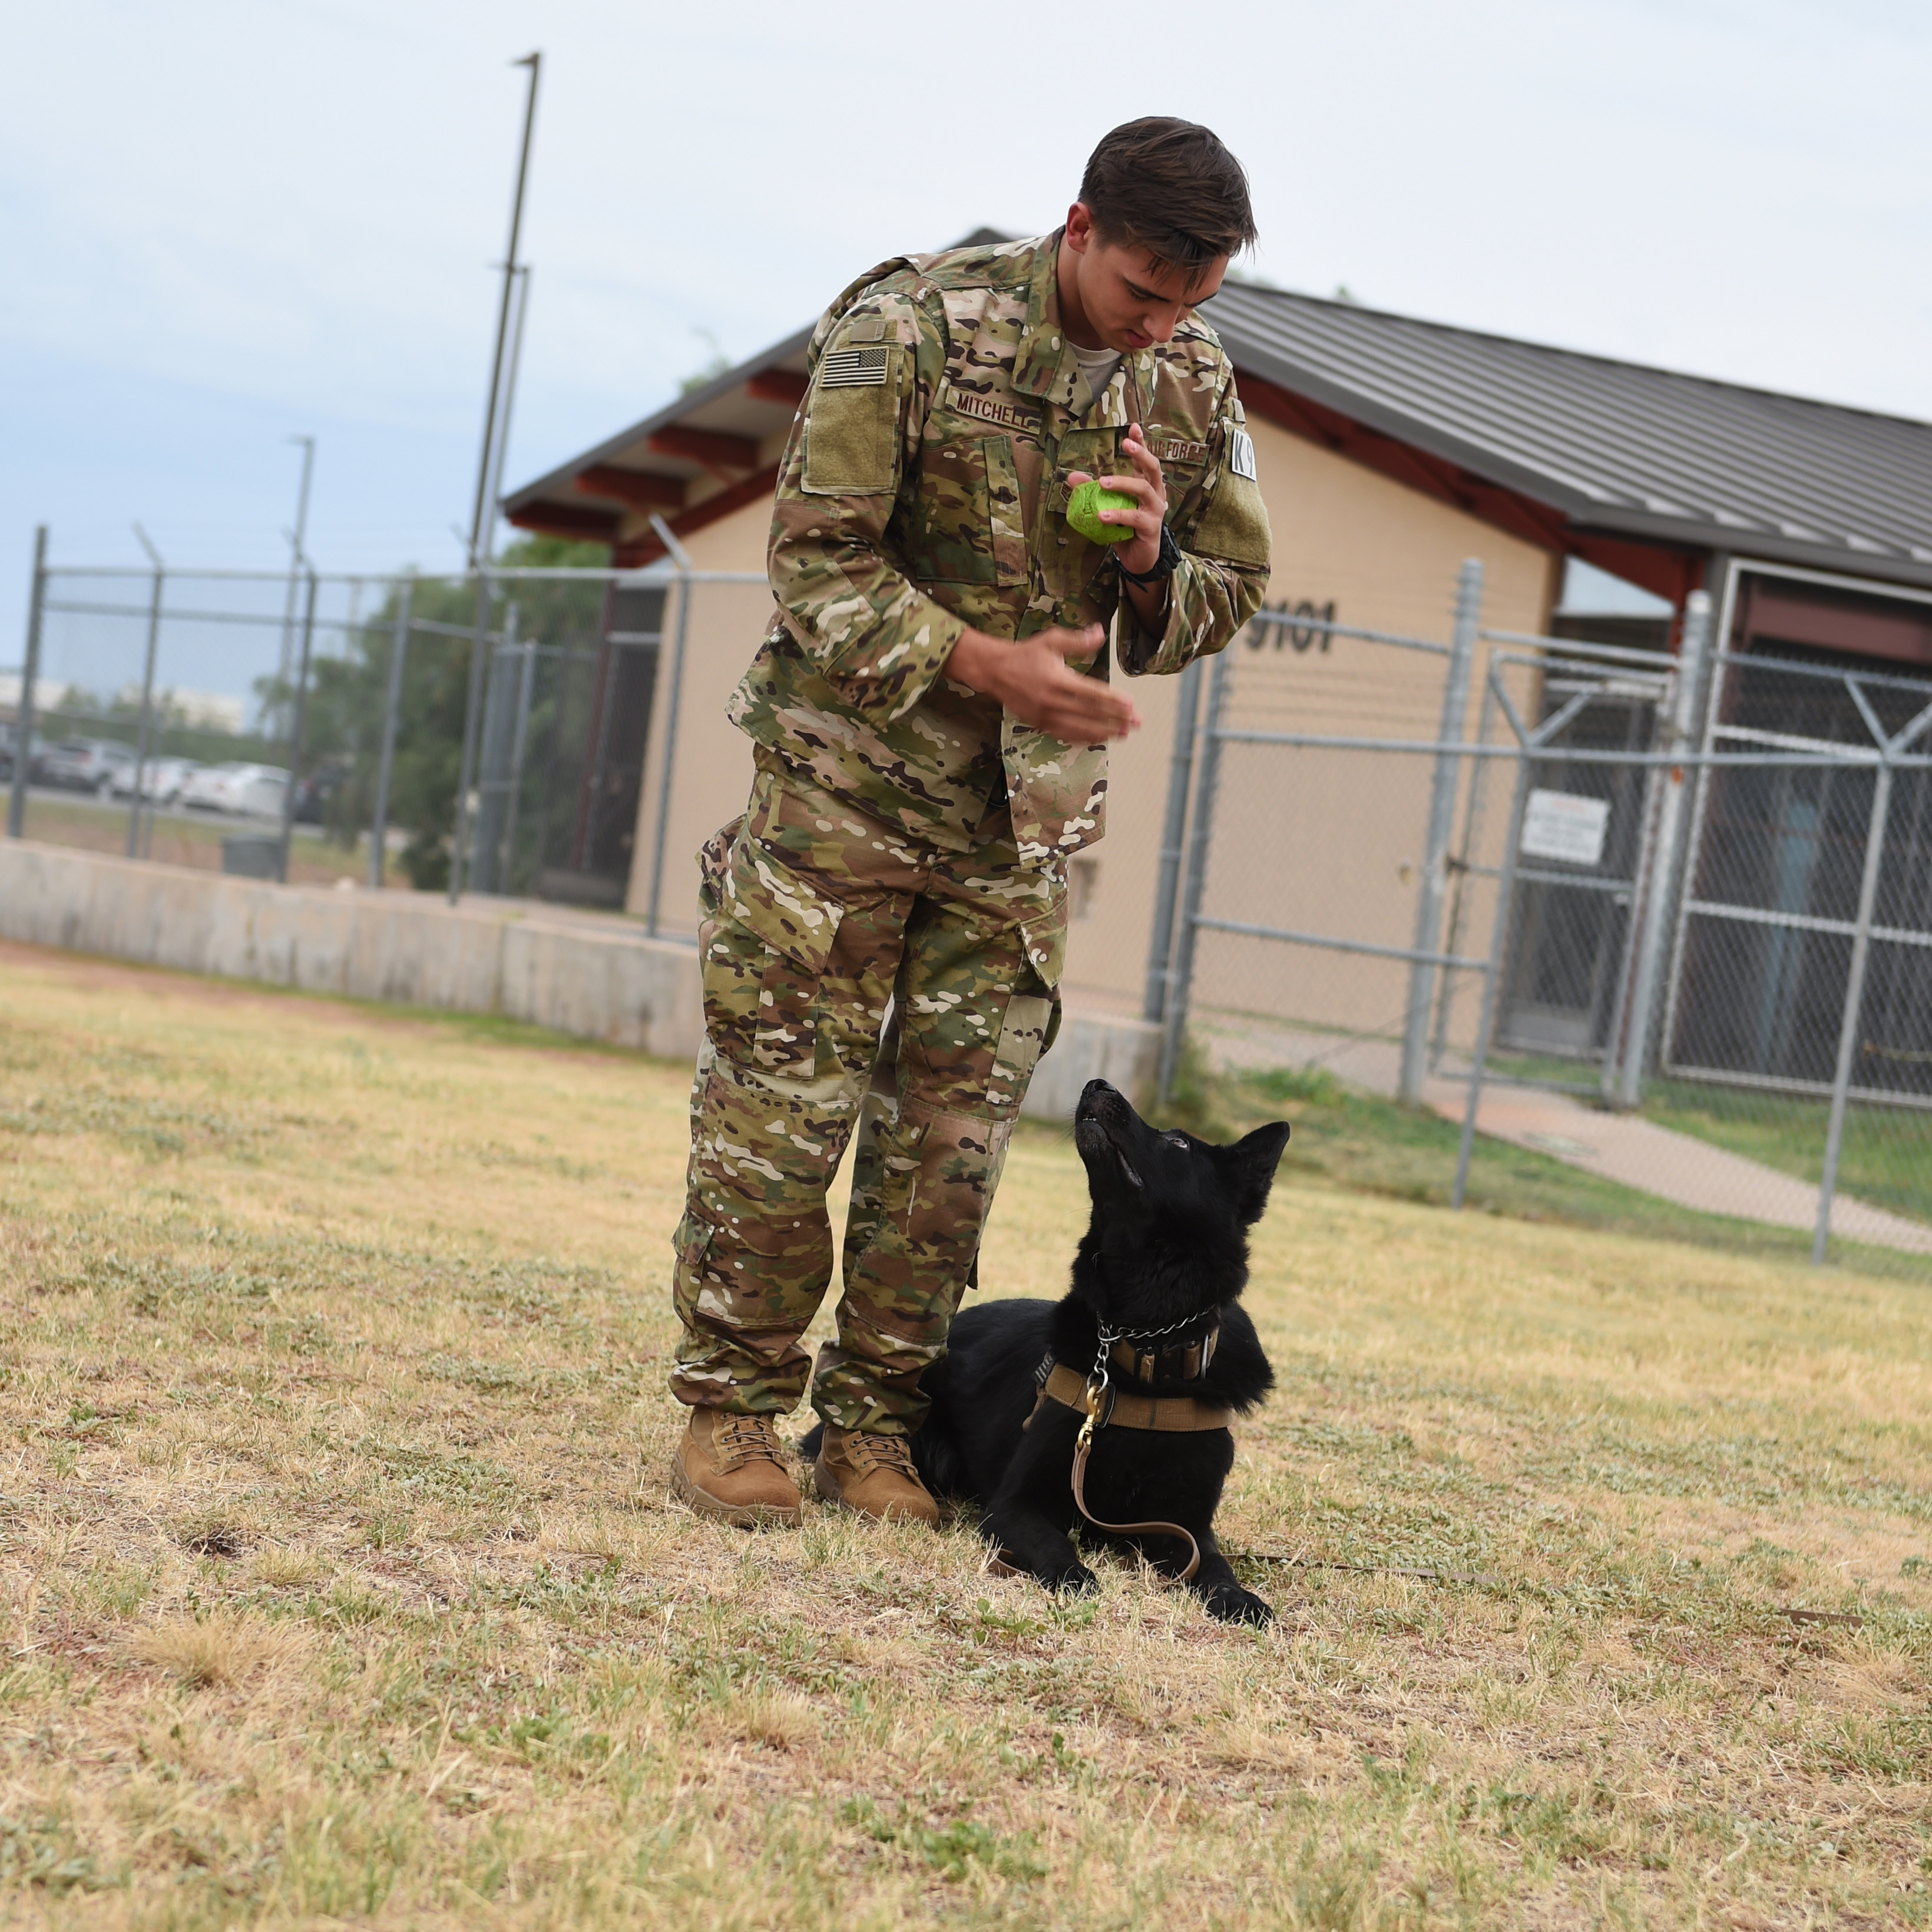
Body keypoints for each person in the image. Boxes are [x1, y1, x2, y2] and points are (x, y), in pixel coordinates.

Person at [668, 116, 1273, 1528]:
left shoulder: (1185, 374)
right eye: (1142, 292)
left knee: (947, 1148)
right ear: (1079, 230)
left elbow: (1224, 596)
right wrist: (976, 660)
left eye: (1196, 300)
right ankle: (731, 1410)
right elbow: (813, 562)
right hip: (844, 794)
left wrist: (1145, 559)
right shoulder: (912, 328)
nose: (1163, 324)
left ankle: (873, 1429)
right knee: (780, 1121)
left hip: (1018, 833)